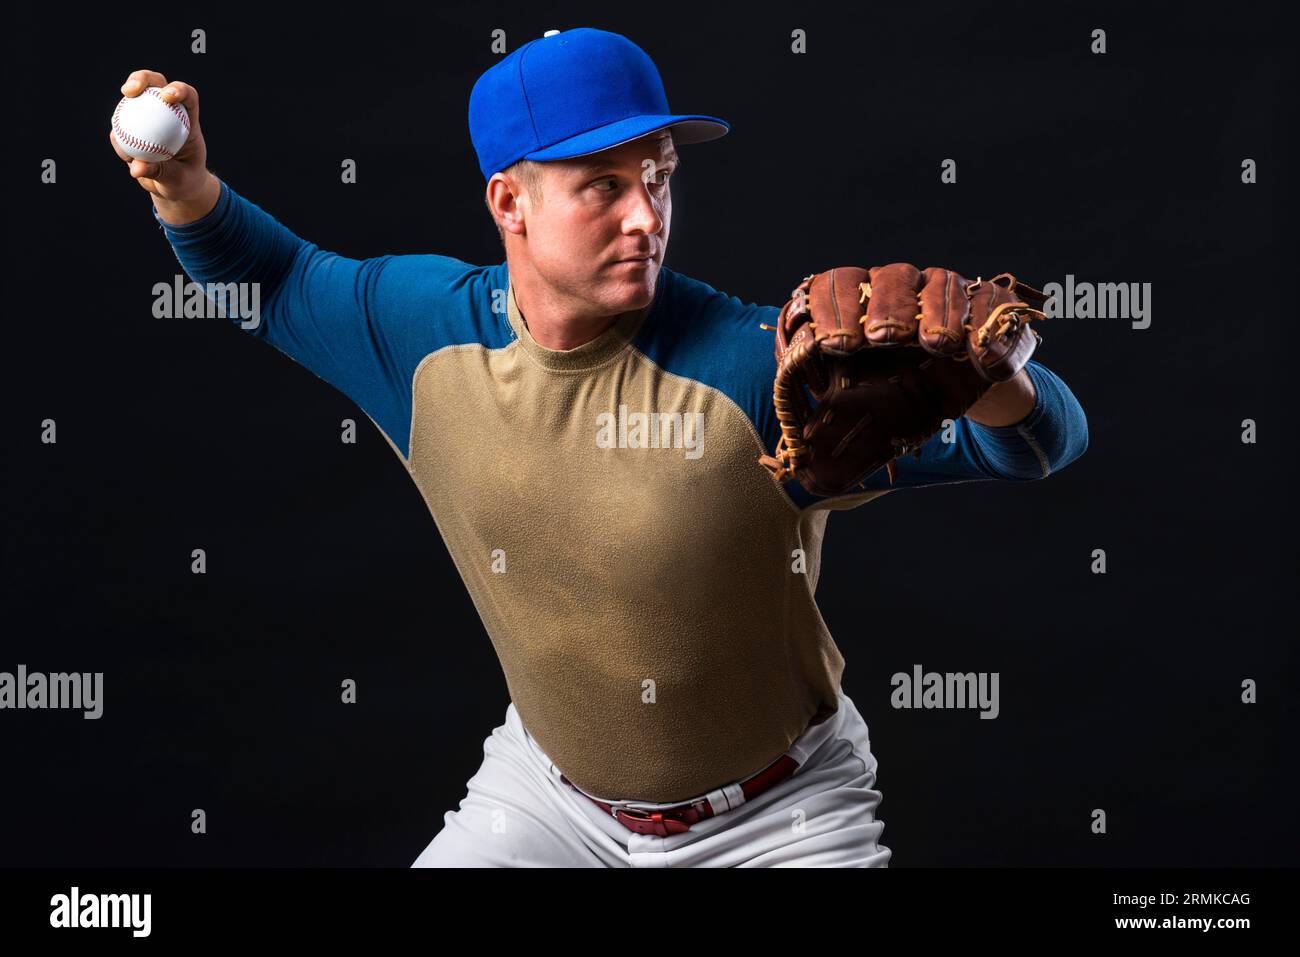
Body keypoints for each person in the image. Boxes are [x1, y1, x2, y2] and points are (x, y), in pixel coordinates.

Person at [111, 27, 1088, 867]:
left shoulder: (753, 368)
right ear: (509, 203)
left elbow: (1035, 448)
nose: (645, 216)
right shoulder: (419, 336)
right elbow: (273, 281)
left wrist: (994, 371)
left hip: (779, 817)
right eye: (602, 185)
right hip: (546, 802)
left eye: (660, 177)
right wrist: (183, 181)